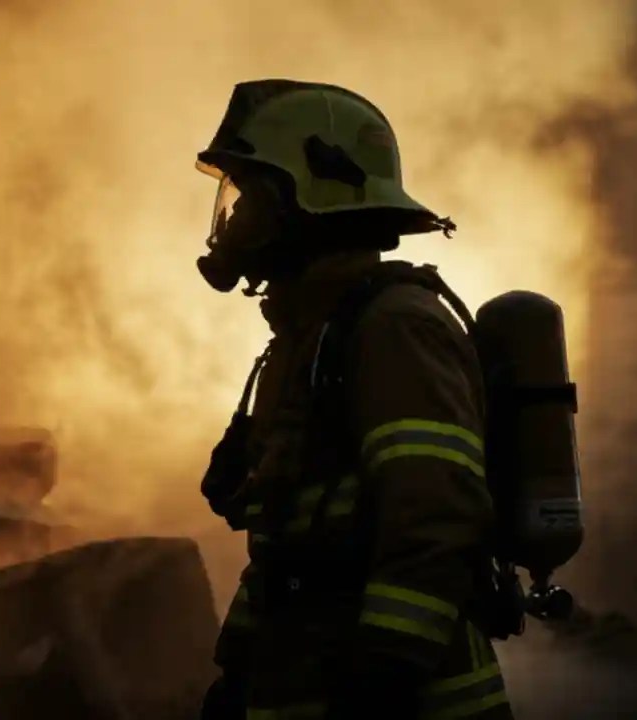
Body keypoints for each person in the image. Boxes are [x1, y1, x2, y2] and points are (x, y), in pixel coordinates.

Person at [195, 80, 513, 720]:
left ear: (310, 196)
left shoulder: (395, 328)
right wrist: (237, 671)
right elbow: (288, 547)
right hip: (306, 681)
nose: (235, 218)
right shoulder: (309, 338)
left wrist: (384, 675)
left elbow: (436, 517)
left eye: (253, 195)